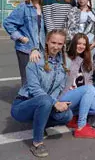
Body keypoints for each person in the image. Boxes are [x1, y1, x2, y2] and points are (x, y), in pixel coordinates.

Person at [10, 29, 73, 158]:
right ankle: (37, 143)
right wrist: (54, 103)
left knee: (67, 115)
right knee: (45, 100)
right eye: (53, 42)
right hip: (23, 104)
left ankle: (40, 123)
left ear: (63, 45)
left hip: (46, 103)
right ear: (47, 42)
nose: (56, 46)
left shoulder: (65, 63)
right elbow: (34, 89)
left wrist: (56, 103)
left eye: (60, 44)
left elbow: (59, 87)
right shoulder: (36, 58)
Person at [60, 34, 95, 138]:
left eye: (84, 44)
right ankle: (81, 126)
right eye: (79, 43)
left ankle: (72, 117)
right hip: (65, 95)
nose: (81, 46)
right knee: (90, 89)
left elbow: (89, 80)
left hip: (80, 94)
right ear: (74, 44)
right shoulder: (66, 58)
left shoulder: (87, 60)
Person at [3, 0, 46, 85]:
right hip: (26, 48)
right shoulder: (24, 7)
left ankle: (35, 99)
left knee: (40, 76)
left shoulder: (44, 8)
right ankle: (24, 99)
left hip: (41, 48)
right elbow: (8, 22)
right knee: (27, 77)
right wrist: (20, 37)